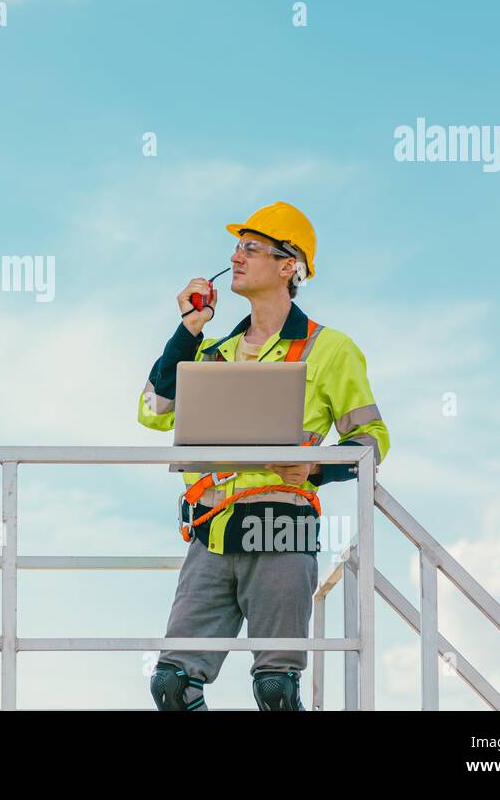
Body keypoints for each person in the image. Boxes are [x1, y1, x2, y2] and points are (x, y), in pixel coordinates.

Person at [137, 201, 389, 710]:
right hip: (212, 532)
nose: (236, 257)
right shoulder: (213, 353)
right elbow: (154, 409)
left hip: (282, 527)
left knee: (276, 690)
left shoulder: (331, 348)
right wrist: (189, 329)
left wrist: (317, 466)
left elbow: (372, 442)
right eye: (235, 248)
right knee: (171, 685)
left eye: (251, 248)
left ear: (288, 266)